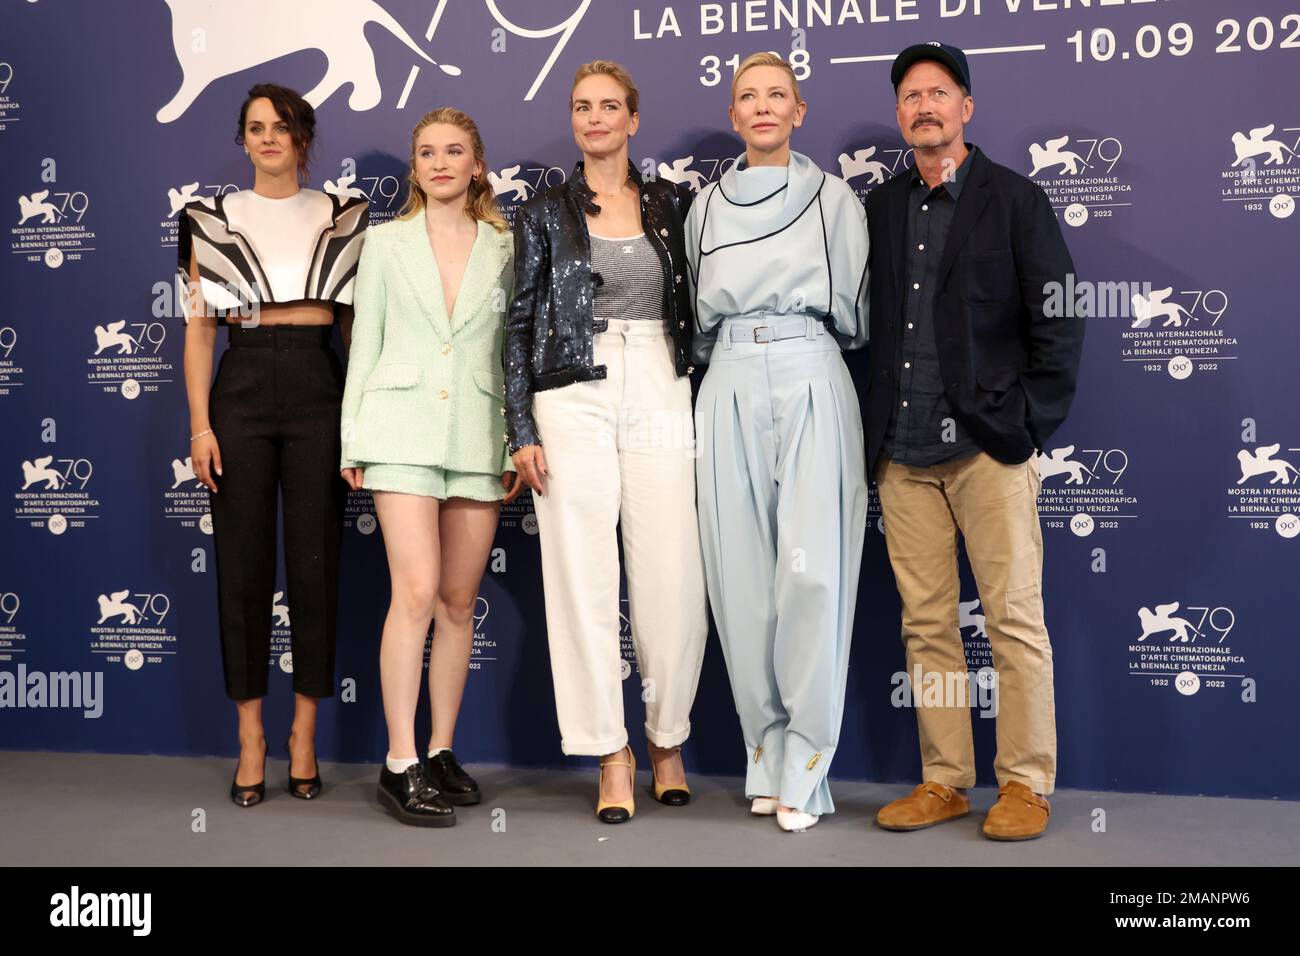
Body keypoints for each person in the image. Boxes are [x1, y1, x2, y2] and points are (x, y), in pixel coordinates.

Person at [864, 43, 1083, 841]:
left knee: (1012, 620)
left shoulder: (1016, 201)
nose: (924, 106)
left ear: (966, 108)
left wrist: (1026, 426)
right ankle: (946, 780)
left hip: (989, 450)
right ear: (900, 115)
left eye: (939, 93)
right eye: (911, 96)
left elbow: (1058, 314)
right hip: (903, 455)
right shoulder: (882, 210)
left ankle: (1025, 785)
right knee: (927, 628)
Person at [504, 60, 708, 824]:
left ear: (633, 120)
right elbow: (518, 322)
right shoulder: (543, 210)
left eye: (610, 106)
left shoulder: (674, 204)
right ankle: (610, 753)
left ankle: (666, 740)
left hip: (660, 376)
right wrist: (520, 428)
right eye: (582, 106)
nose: (595, 118)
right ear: (574, 120)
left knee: (670, 573)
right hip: (571, 393)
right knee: (581, 578)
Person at [685, 53, 870, 833]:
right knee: (742, 581)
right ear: (734, 116)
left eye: (777, 96)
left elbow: (855, 312)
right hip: (725, 375)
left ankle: (807, 765)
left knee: (814, 576)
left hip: (808, 369)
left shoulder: (834, 198)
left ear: (799, 111)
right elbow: (695, 321)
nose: (762, 107)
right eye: (747, 97)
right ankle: (765, 753)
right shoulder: (703, 207)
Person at [179, 83, 368, 807]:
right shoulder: (206, 219)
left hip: (322, 384)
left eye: (280, 127)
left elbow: (358, 332)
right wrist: (200, 424)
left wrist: (363, 419)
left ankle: (304, 736)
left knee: (317, 567)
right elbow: (199, 330)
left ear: (302, 137)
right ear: (243, 139)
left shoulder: (346, 216)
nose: (267, 139)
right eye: (254, 128)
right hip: (242, 387)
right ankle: (252, 736)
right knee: (243, 568)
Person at [339, 108, 518, 828]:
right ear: (413, 168)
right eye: (426, 152)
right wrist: (354, 440)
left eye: (454, 151)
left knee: (454, 602)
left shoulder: (507, 246)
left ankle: (442, 751)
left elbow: (513, 351)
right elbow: (366, 342)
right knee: (413, 593)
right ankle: (401, 760)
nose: (440, 162)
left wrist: (514, 441)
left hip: (478, 433)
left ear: (478, 164)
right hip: (399, 432)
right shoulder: (384, 244)